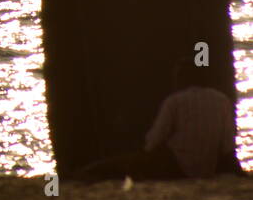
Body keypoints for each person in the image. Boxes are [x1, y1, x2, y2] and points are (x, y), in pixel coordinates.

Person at [73, 59, 240, 181]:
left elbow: (155, 139)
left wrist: (143, 151)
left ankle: (83, 172)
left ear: (183, 78)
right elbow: (227, 144)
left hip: (177, 166)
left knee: (121, 165)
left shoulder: (175, 101)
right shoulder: (222, 100)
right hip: (208, 167)